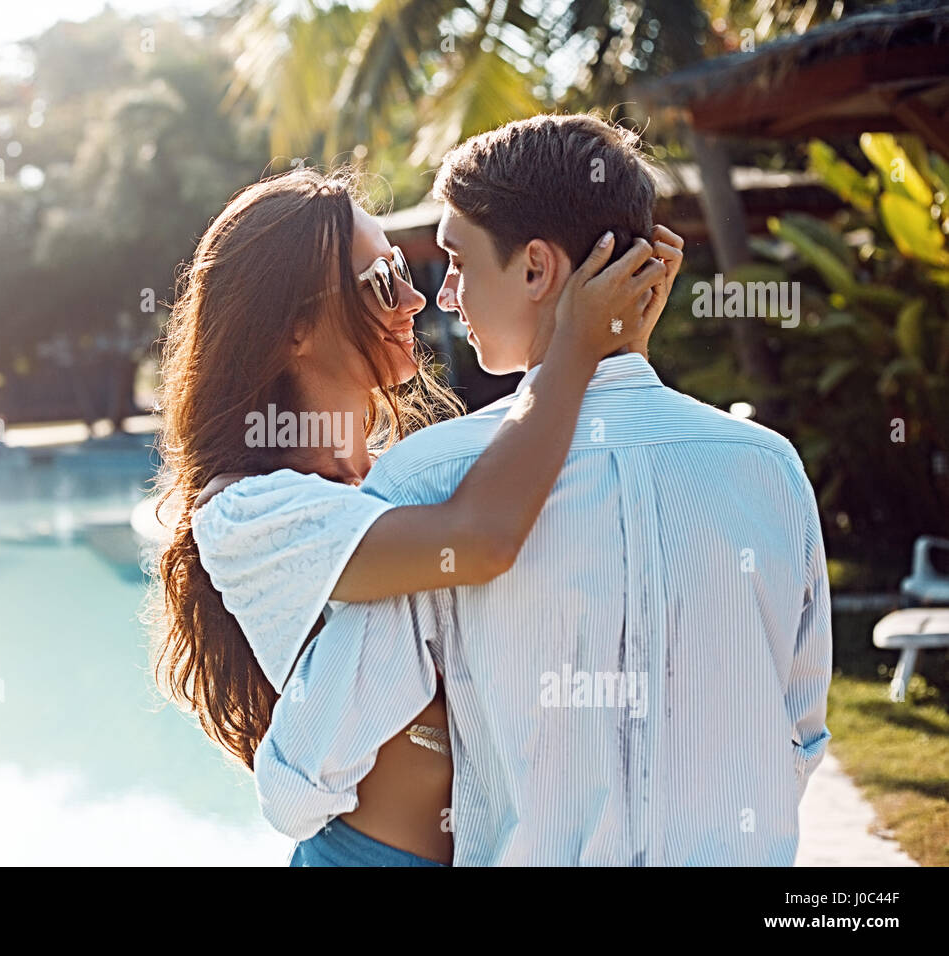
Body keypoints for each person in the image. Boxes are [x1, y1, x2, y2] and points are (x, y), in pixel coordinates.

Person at [253, 113, 833, 866]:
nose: (447, 296)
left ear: (534, 269)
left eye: (457, 263)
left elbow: (305, 780)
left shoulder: (429, 480)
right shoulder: (768, 467)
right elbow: (799, 732)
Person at [147, 157, 679, 865]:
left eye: (401, 269)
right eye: (378, 282)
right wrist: (577, 349)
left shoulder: (406, 471)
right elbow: (481, 540)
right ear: (292, 330)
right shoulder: (249, 513)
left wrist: (623, 348)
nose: (412, 300)